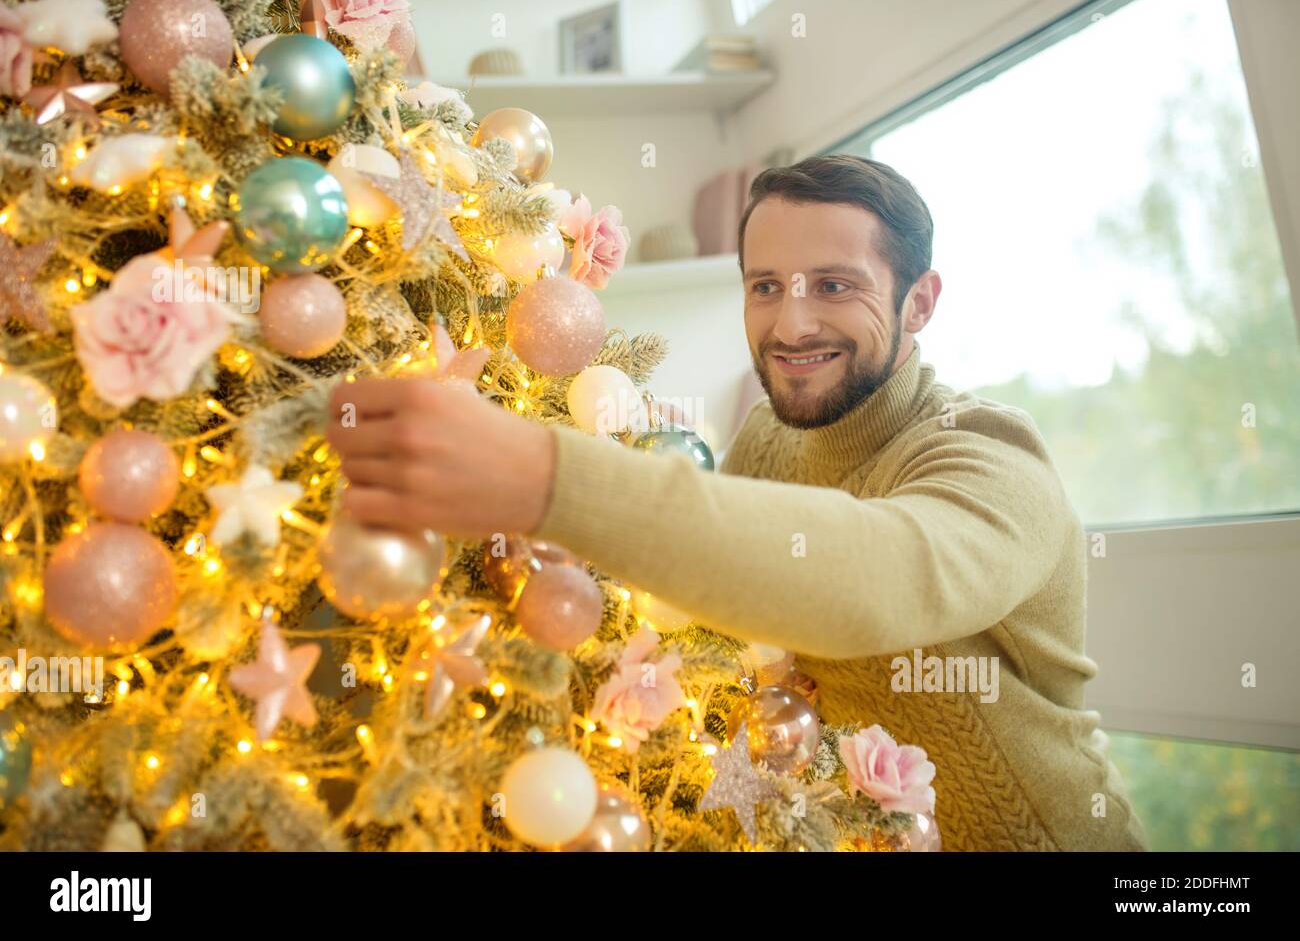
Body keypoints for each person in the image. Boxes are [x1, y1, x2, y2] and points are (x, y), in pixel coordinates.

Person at [327, 154, 1149, 851]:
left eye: (834, 285)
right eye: (765, 286)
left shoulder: (988, 455)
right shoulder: (769, 437)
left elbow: (877, 577)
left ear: (920, 301)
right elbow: (724, 594)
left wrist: (544, 474)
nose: (790, 325)